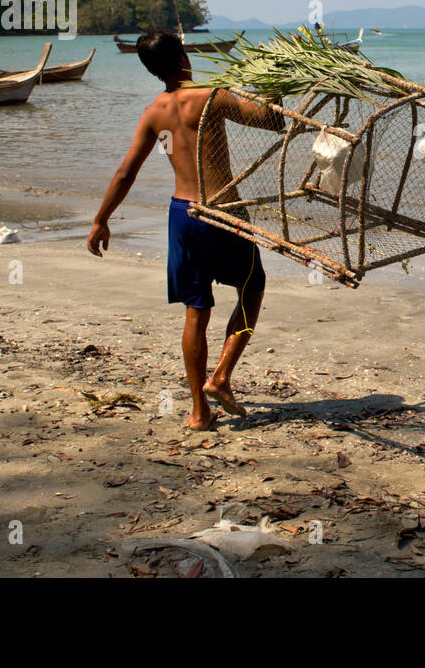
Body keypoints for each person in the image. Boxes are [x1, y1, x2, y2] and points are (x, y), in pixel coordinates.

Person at [88, 31, 283, 429]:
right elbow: (273, 121)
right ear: (183, 56)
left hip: (183, 214)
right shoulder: (213, 95)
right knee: (253, 288)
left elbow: (126, 173)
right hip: (223, 211)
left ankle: (199, 411)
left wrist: (100, 219)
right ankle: (222, 376)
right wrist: (275, 80)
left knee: (197, 311)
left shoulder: (154, 111)